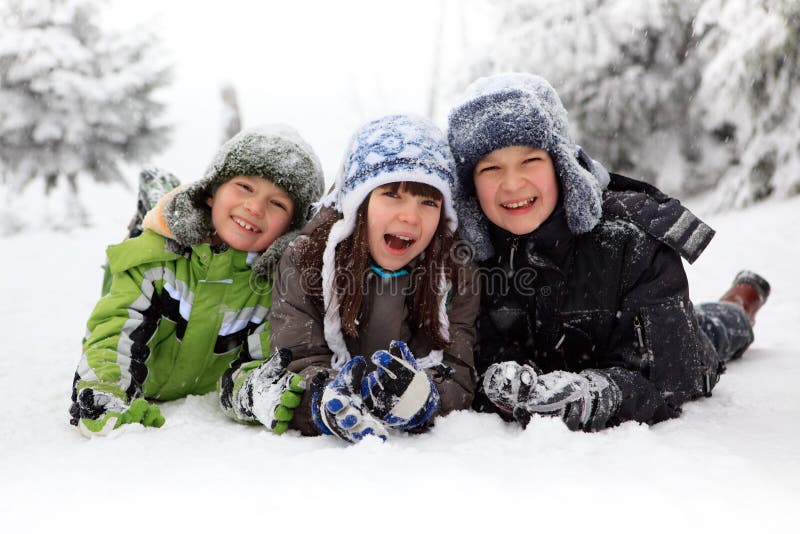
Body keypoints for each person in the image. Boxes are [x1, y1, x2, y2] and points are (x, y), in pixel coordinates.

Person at [446, 73, 770, 432]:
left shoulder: (629, 237)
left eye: (530, 160)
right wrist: (498, 380)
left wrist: (599, 394)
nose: (512, 183)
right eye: (491, 168)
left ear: (561, 164)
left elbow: (670, 376)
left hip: (675, 336)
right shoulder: (465, 256)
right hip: (592, 344)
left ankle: (741, 303)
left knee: (711, 330)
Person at [69, 125, 324, 436]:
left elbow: (254, 365)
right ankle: (154, 203)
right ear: (210, 192)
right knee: (135, 247)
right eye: (244, 186)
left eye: (278, 203)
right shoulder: (153, 260)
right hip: (163, 259)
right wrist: (105, 391)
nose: (255, 207)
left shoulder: (273, 289)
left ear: (290, 228)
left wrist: (254, 393)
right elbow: (112, 333)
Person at [266, 114, 480, 443]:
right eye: (392, 194)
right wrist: (323, 397)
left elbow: (458, 371)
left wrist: (424, 397)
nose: (410, 216)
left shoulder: (455, 272)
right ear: (358, 201)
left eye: (429, 202)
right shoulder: (306, 261)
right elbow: (296, 361)